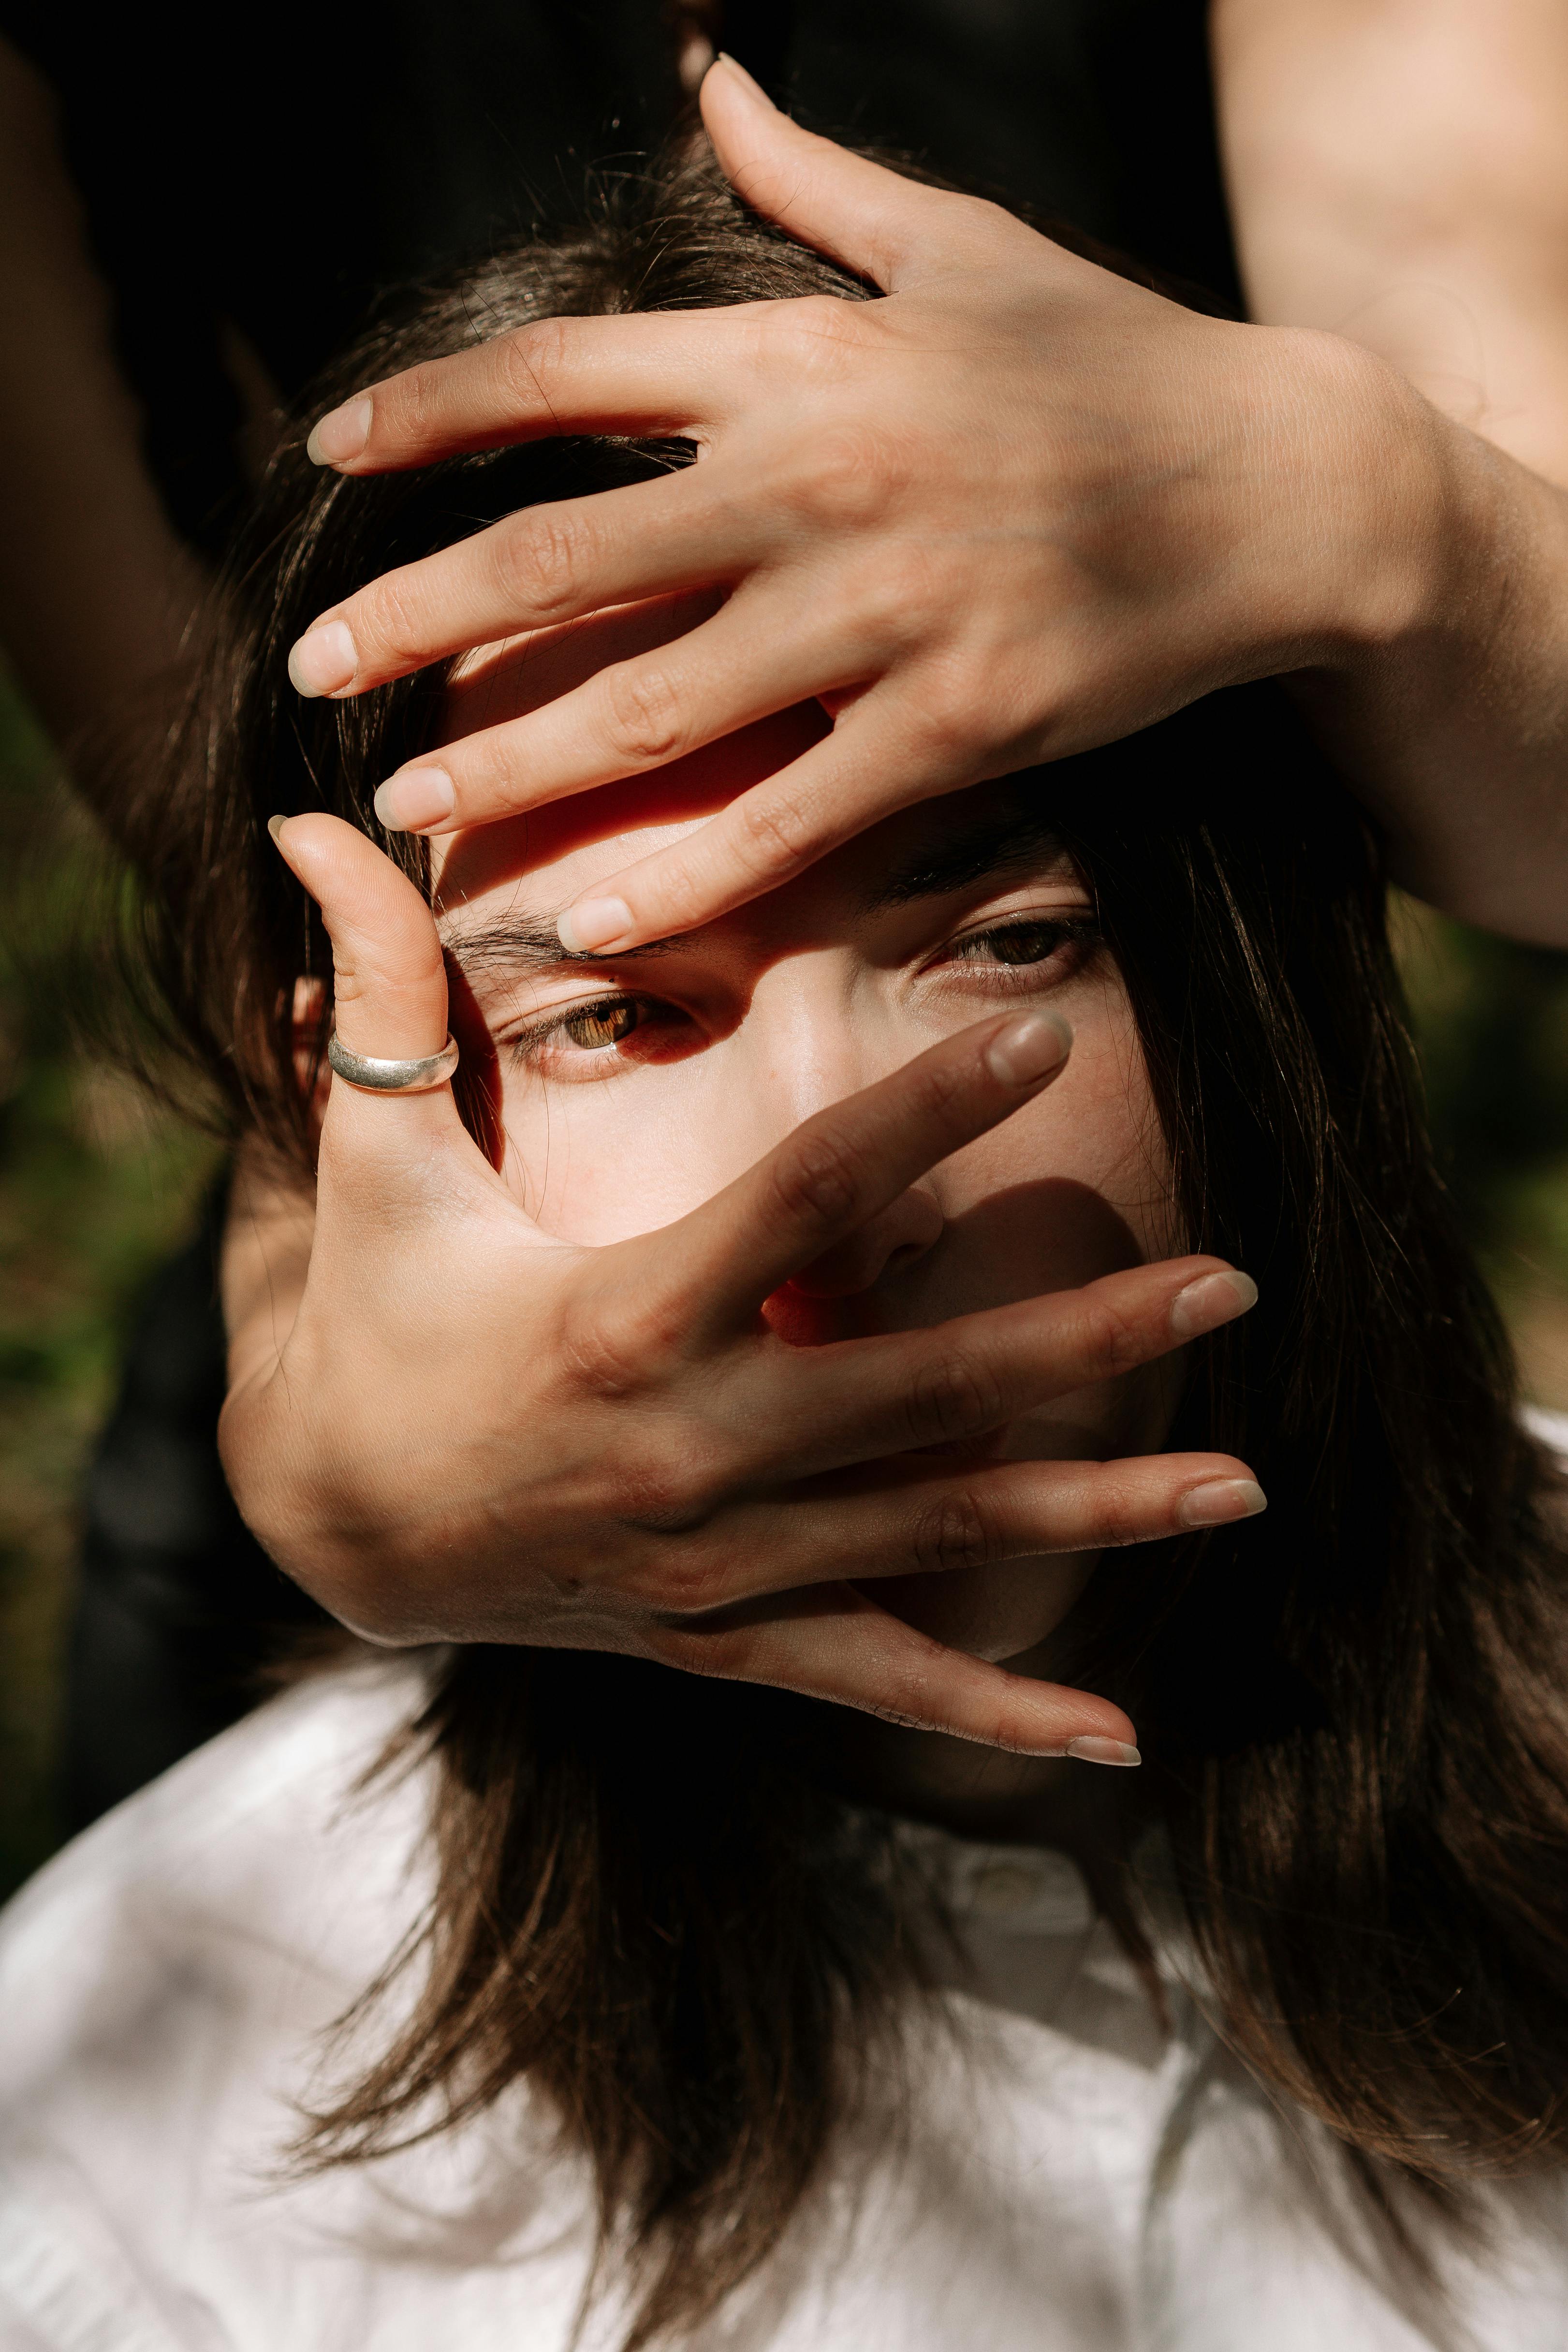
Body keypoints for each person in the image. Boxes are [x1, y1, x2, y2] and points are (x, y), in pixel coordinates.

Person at [3, 145, 1567, 2352]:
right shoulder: (141, 2161)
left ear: (1263, 1009)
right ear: (373, 1104)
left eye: (1007, 937)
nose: (835, 1179)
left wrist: (1392, 508)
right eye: (618, 1008)